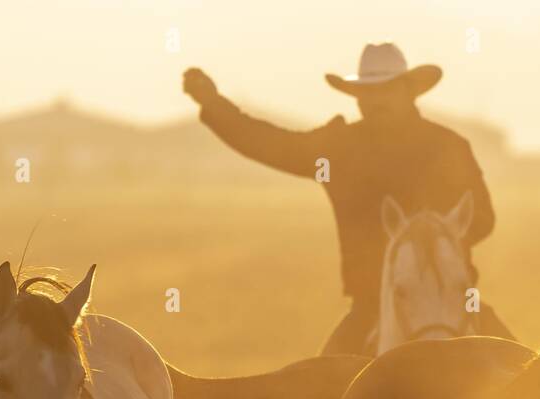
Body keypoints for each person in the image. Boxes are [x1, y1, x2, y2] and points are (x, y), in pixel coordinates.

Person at [183, 42, 513, 356]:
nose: (374, 100)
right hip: (370, 307)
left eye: (385, 89)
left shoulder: (449, 146)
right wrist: (214, 105)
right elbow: (270, 144)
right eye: (366, 92)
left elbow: (483, 218)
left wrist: (431, 241)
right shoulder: (338, 148)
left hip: (455, 301)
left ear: (409, 91)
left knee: (523, 376)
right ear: (355, 97)